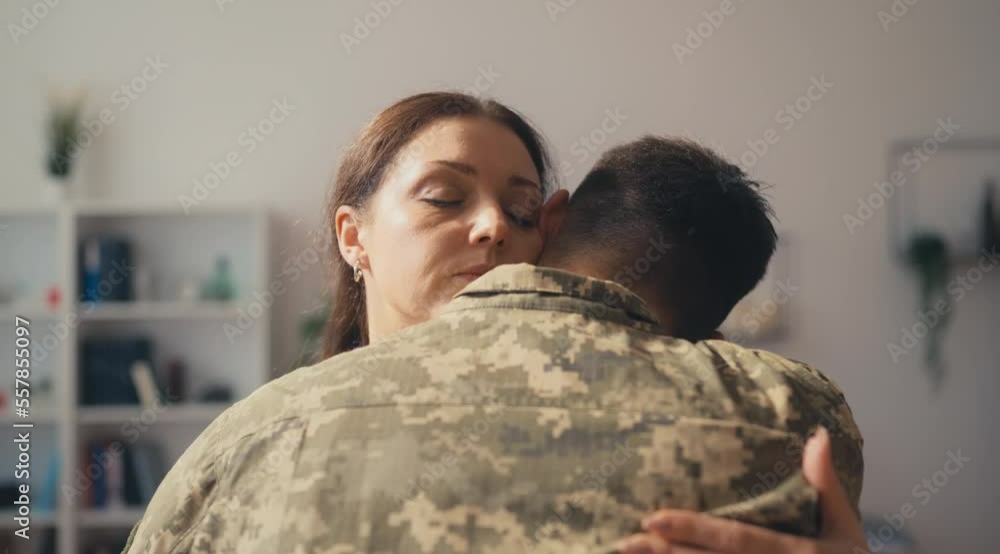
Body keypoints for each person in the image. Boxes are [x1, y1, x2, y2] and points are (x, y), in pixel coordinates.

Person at [122, 92, 864, 553]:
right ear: (353, 235)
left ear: (556, 224)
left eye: (520, 209)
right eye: (445, 197)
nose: (491, 229)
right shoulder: (257, 439)